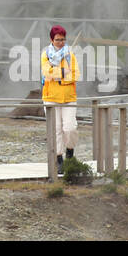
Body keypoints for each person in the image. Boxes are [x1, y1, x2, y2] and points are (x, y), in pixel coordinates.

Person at [41, 25, 79, 163]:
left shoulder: (70, 55)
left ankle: (70, 150)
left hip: (68, 97)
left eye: (63, 39)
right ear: (51, 39)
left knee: (70, 128)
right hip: (50, 97)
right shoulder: (45, 55)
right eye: (58, 40)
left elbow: (75, 75)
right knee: (55, 129)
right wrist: (63, 73)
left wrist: (57, 77)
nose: (61, 42)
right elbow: (46, 73)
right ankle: (58, 159)